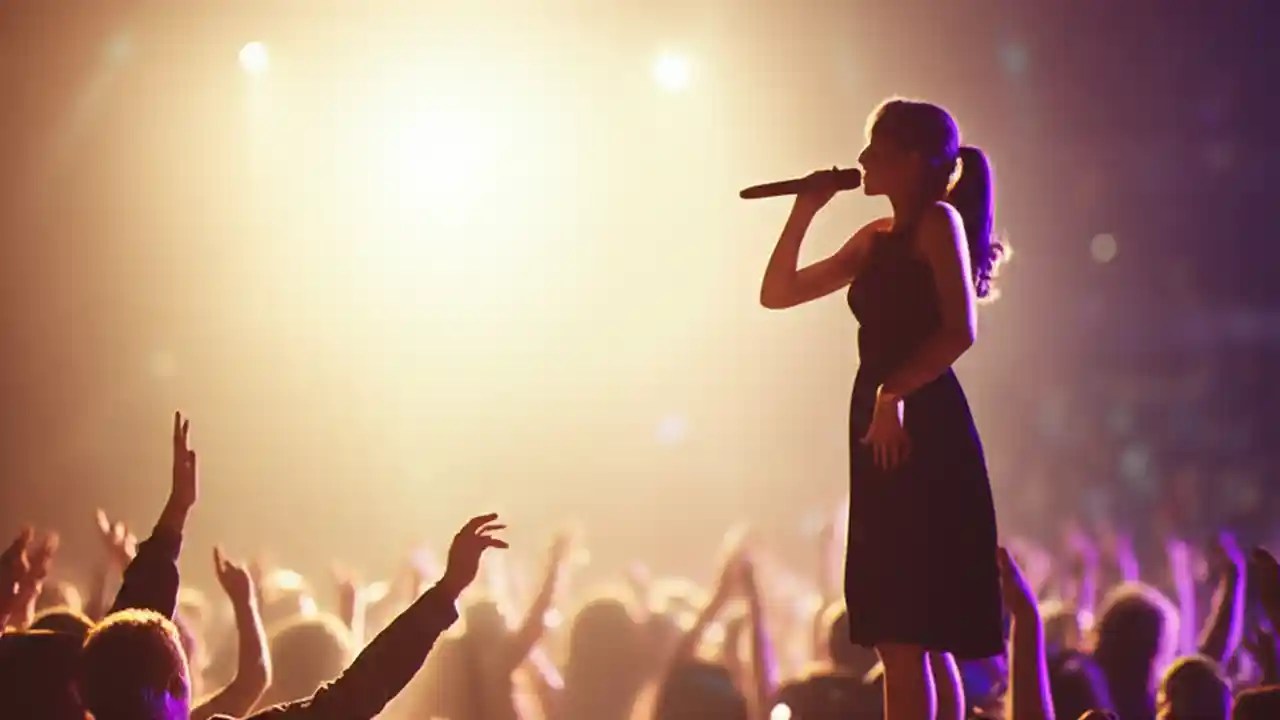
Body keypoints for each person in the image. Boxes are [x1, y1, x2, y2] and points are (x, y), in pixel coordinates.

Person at [760, 97, 1006, 720]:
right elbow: (779, 292)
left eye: (877, 148)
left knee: (905, 631)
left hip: (919, 421)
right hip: (880, 419)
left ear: (914, 161)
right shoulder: (875, 238)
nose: (863, 157)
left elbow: (959, 330)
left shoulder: (938, 223)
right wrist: (805, 209)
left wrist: (892, 396)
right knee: (911, 633)